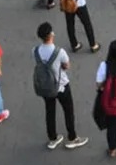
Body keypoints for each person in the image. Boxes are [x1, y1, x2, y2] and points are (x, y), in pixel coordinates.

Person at [34, 21, 89, 150]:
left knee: (50, 111)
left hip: (46, 87)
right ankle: (72, 137)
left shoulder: (35, 51)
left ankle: (52, 138)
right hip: (61, 85)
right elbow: (66, 65)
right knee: (68, 110)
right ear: (51, 35)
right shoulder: (59, 51)